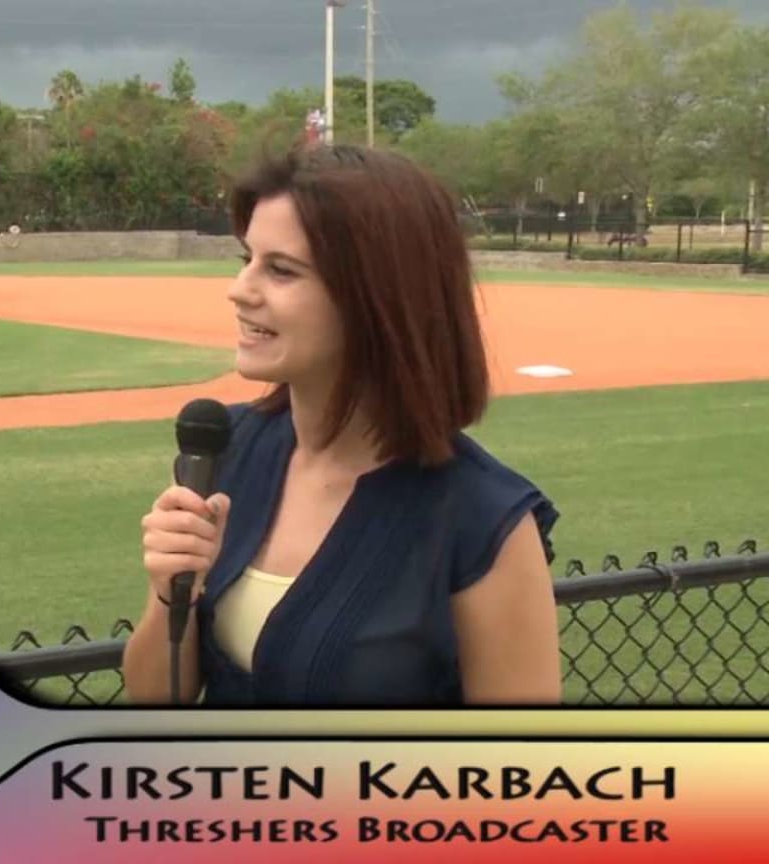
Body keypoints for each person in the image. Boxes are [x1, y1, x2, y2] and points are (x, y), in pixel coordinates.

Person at [123, 143, 562, 705]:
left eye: (281, 270)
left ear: (376, 296)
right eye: (246, 260)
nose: (240, 290)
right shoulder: (229, 454)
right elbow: (155, 702)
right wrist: (170, 594)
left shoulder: (481, 520)